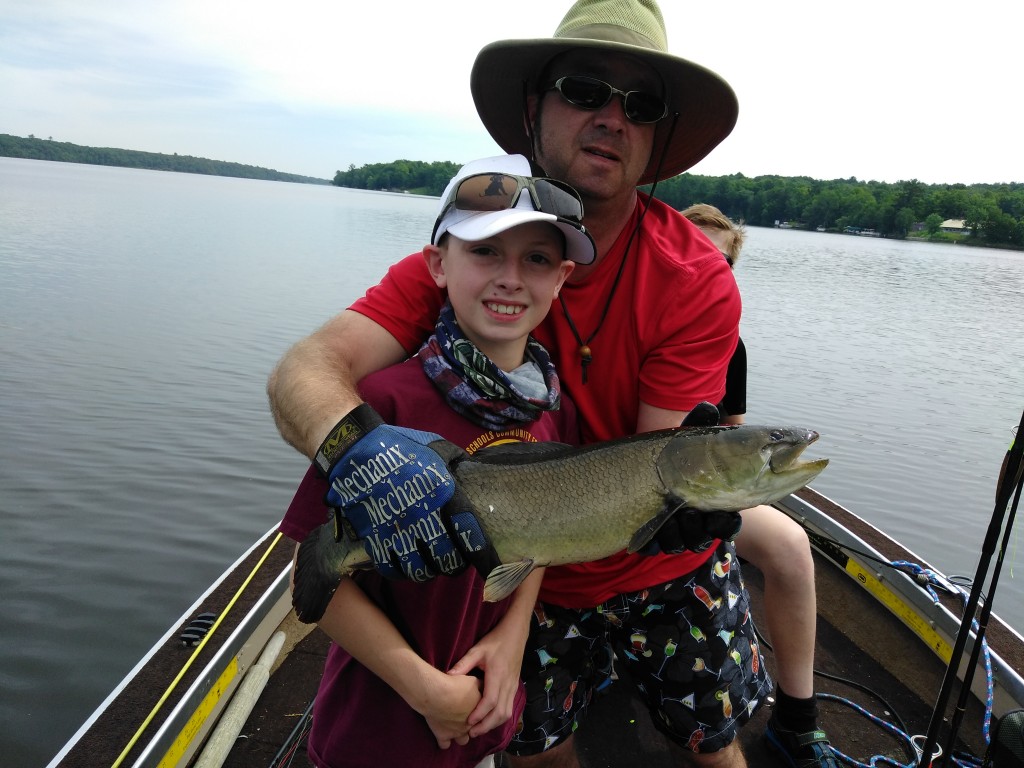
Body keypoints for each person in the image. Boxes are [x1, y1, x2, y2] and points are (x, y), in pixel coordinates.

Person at [267, 1, 835, 766]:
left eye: (642, 105)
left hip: (659, 572)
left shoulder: (694, 277)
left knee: (713, 742)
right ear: (534, 106)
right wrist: (361, 453)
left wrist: (693, 505)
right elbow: (305, 370)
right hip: (516, 572)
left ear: (658, 134)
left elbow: (660, 467)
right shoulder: (478, 249)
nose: (613, 118)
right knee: (537, 751)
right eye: (585, 89)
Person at [278, 153, 596, 768]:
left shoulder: (555, 415)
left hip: (484, 710)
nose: (510, 278)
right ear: (437, 266)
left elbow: (543, 537)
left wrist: (512, 639)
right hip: (377, 726)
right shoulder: (382, 404)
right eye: (485, 252)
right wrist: (423, 688)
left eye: (536, 259)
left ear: (561, 279)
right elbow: (312, 573)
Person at [681, 203, 831, 766]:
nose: (704, 268)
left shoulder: (731, 345)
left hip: (703, 488)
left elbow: (733, 435)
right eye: (692, 253)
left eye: (719, 262)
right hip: (628, 486)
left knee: (791, 546)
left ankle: (796, 718)